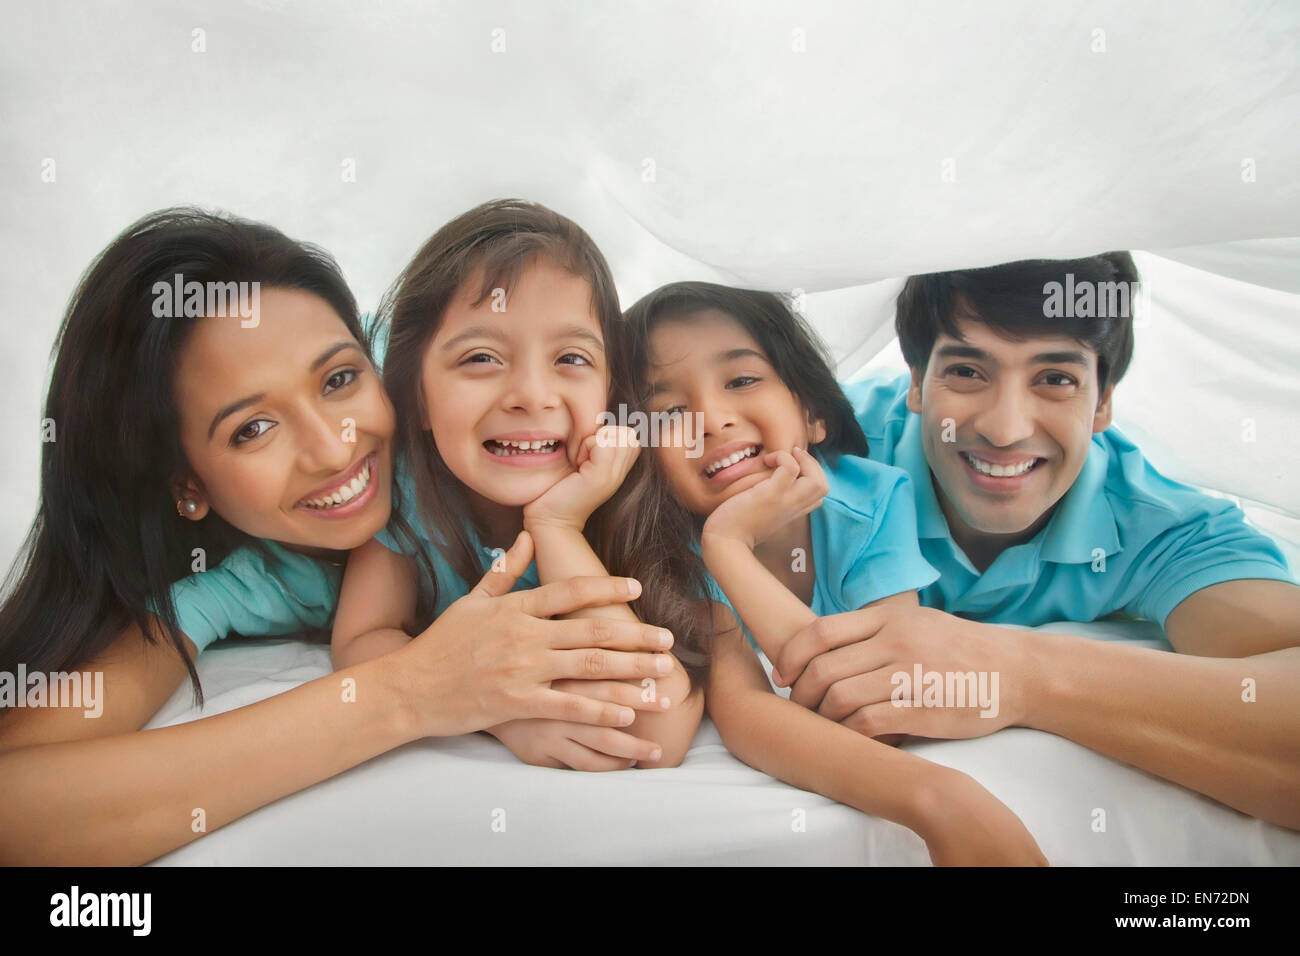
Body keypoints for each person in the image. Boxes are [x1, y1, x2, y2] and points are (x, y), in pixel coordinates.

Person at [0, 208, 676, 865]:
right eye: (251, 429)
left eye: (340, 378)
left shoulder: (504, 415)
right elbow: (19, 813)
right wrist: (419, 693)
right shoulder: (228, 585)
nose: (334, 449)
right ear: (186, 486)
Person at [771, 252, 1300, 829]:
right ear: (916, 383)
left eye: (1055, 379)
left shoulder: (1162, 527)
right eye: (968, 372)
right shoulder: (811, 459)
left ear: (1102, 402)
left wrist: (1017, 673)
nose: (1006, 428)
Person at [621, 280, 1049, 864]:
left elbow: (882, 704)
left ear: (813, 412)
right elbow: (745, 710)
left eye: (743, 380)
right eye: (668, 412)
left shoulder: (872, 503)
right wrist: (726, 544)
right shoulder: (667, 554)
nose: (712, 420)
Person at [332, 199, 705, 769]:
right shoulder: (408, 497)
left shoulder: (635, 500)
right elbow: (362, 639)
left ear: (610, 392)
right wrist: (498, 714)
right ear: (418, 399)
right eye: (481, 357)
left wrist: (559, 526)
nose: (532, 394)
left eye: (572, 358)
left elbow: (657, 725)